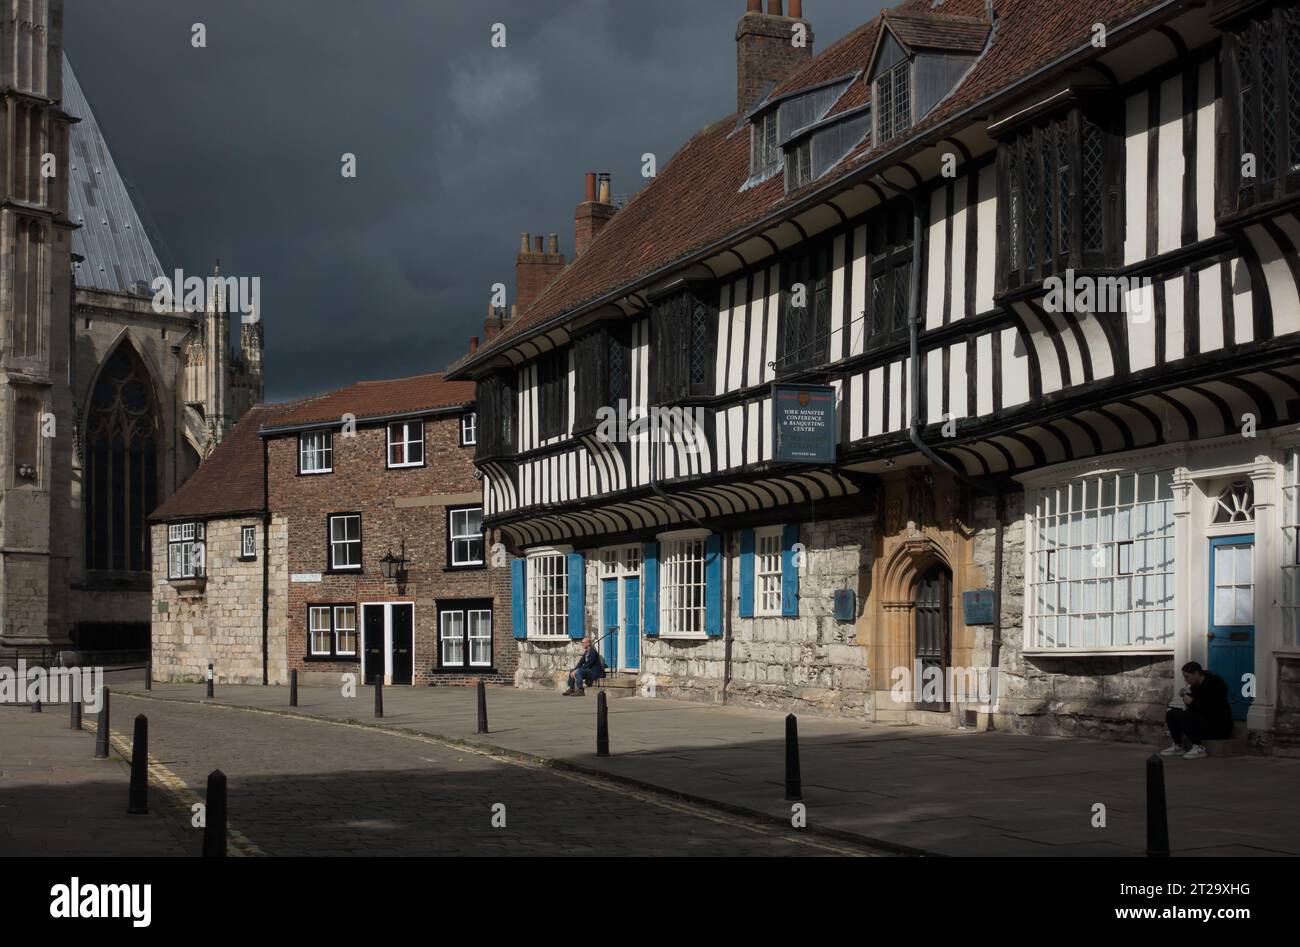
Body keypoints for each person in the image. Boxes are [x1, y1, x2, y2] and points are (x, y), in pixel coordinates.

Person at [1162, 661, 1233, 759]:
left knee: (1183, 716)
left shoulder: (1214, 684)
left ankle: (1199, 747)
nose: (1185, 680)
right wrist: (1189, 704)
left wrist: (1192, 702)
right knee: (1172, 713)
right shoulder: (1195, 687)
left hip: (1218, 727)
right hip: (1203, 723)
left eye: (1187, 676)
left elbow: (1212, 711)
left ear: (1196, 673)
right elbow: (1194, 711)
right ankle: (1178, 745)